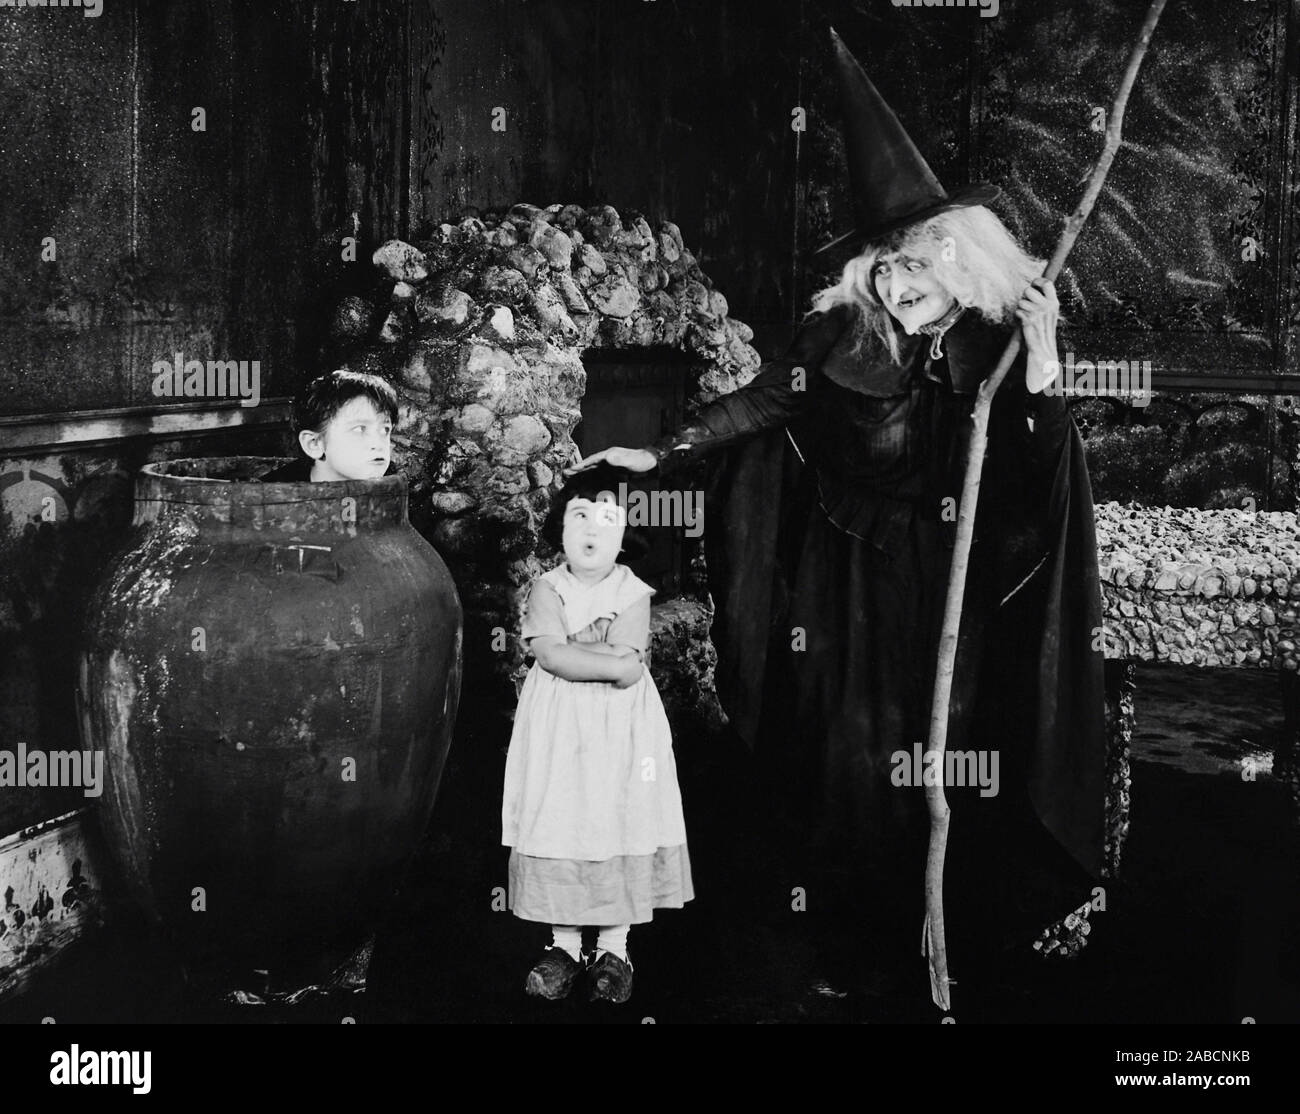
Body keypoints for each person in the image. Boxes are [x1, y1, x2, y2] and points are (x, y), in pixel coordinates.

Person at [571, 33, 1107, 1001]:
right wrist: (661, 450)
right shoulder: (837, 332)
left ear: (958, 261)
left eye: (916, 266)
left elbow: (1039, 469)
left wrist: (1042, 363)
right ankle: (847, 938)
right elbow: (764, 402)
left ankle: (940, 927)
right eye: (885, 266)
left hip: (945, 582)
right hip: (840, 575)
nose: (898, 284)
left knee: (940, 749)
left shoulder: (990, 344)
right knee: (842, 755)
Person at [502, 462, 694, 1003]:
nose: (591, 529)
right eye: (579, 516)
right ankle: (562, 946)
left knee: (618, 813)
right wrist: (601, 657)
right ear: (560, 531)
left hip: (622, 729)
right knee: (563, 812)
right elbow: (551, 655)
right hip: (560, 724)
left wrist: (581, 652)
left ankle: (614, 948)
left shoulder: (633, 590)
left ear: (623, 535)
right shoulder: (547, 586)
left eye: (606, 520)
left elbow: (630, 658)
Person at [260, 369, 399, 482]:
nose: (378, 444)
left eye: (384, 430)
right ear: (314, 443)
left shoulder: (396, 487)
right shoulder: (267, 499)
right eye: (359, 429)